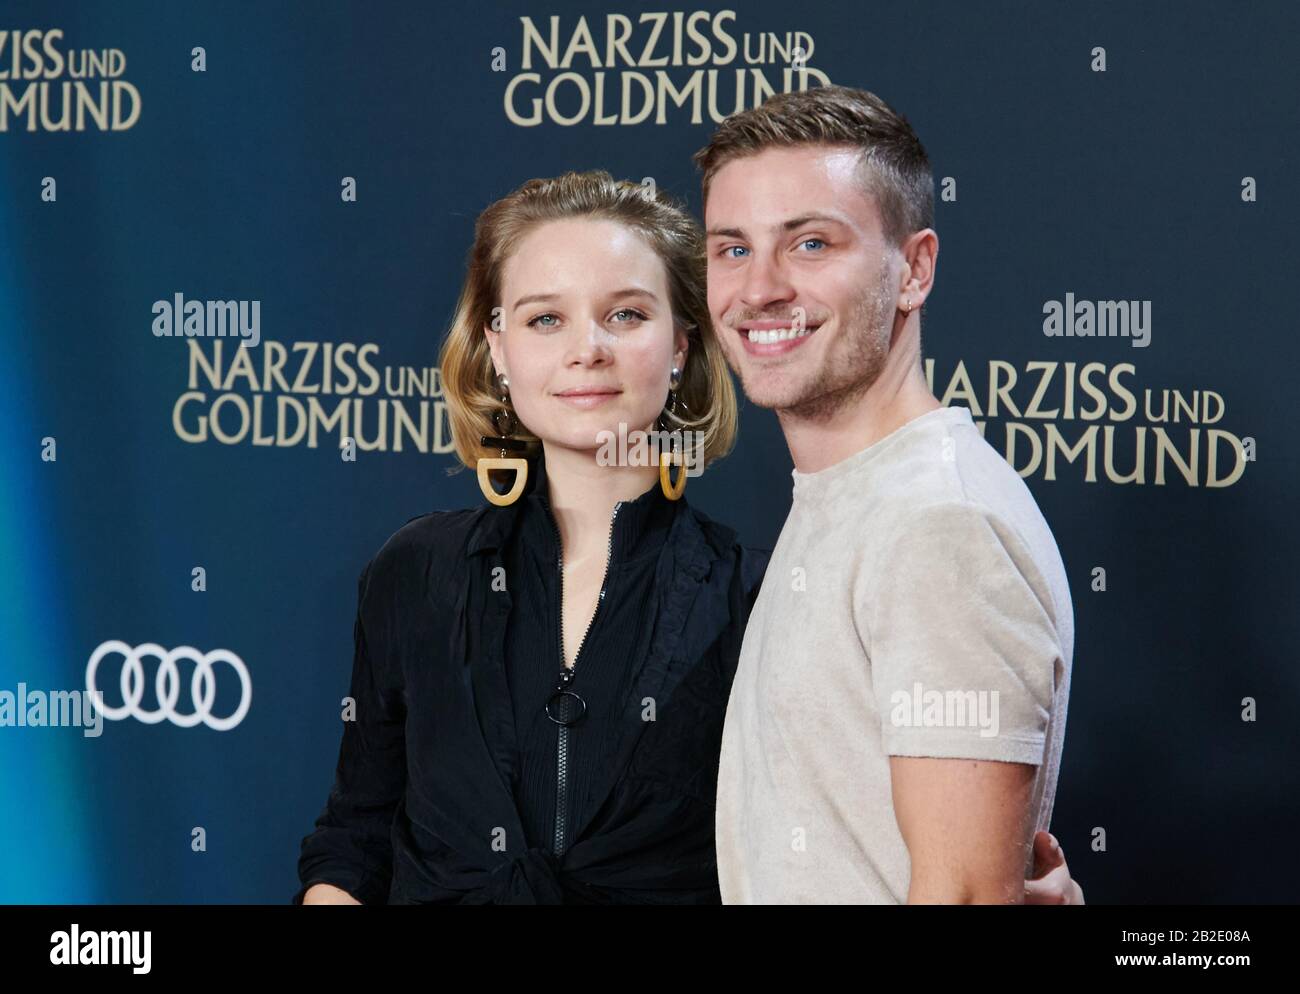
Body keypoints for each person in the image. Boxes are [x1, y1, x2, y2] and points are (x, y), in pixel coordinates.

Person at [295, 168, 1082, 904]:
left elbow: (848, 855)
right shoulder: (415, 574)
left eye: (627, 314)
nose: (587, 349)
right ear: (497, 348)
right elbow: (356, 833)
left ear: (680, 344)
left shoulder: (758, 596)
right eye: (545, 318)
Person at [702, 85, 1081, 903]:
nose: (759, 288)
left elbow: (967, 897)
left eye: (809, 244)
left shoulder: (937, 526)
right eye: (732, 249)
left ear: (914, 269)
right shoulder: (854, 496)